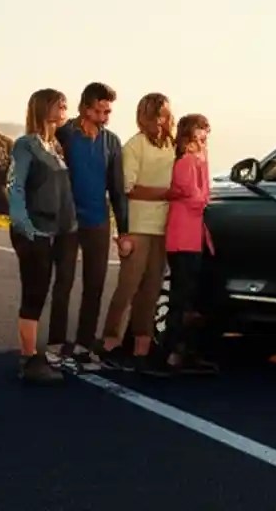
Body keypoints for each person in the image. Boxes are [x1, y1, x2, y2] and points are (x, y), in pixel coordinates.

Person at [47, 82, 130, 372]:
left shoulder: (112, 142)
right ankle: (55, 345)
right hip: (67, 221)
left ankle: (83, 347)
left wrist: (124, 232)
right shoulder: (64, 133)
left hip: (98, 220)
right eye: (100, 110)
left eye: (108, 111)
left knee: (94, 286)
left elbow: (117, 190)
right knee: (64, 282)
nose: (106, 116)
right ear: (85, 107)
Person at [98, 92, 175, 372]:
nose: (158, 121)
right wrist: (167, 193)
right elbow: (127, 188)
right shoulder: (134, 146)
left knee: (152, 290)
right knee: (128, 287)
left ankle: (141, 348)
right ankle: (109, 343)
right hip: (139, 227)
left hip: (163, 228)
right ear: (143, 117)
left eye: (163, 115)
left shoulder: (174, 146)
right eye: (153, 116)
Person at [5, 88, 78, 385]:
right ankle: (29, 359)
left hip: (55, 231)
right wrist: (26, 227)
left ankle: (35, 354)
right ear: (43, 108)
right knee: (34, 292)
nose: (64, 108)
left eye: (65, 104)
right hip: (34, 231)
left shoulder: (54, 147)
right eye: (59, 104)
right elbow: (14, 186)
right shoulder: (26, 145)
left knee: (44, 289)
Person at [144, 113, 218, 377]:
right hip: (182, 238)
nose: (203, 138)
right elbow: (198, 199)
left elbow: (204, 193)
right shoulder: (186, 163)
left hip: (193, 236)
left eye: (205, 132)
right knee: (180, 298)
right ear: (189, 134)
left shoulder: (197, 162)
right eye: (199, 132)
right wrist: (200, 162)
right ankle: (165, 356)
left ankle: (181, 352)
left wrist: (204, 162)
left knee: (189, 297)